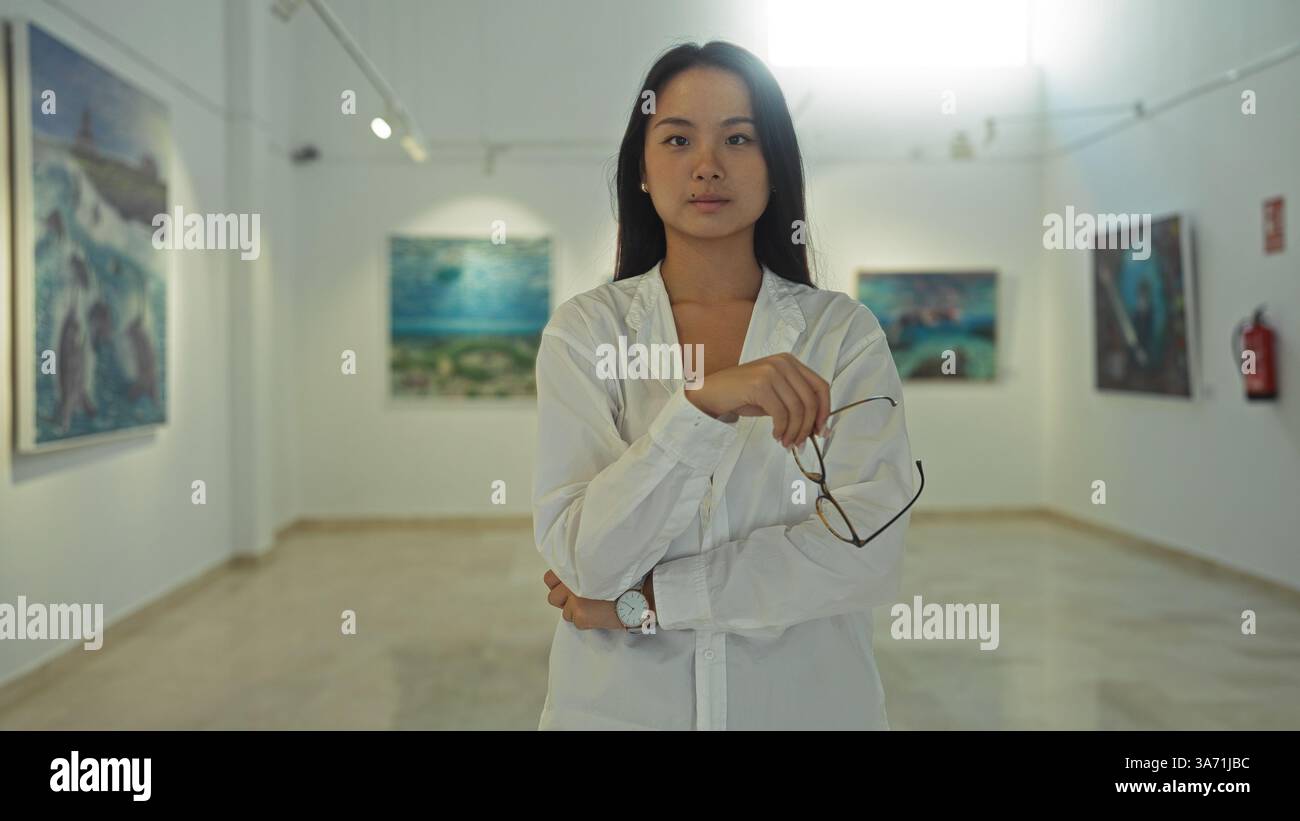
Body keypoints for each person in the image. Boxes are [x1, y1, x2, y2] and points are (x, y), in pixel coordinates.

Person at [531, 40, 918, 730]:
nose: (707, 165)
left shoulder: (842, 336)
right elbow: (586, 560)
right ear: (642, 170)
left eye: (739, 138)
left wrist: (650, 601)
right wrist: (701, 406)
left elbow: (866, 551)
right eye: (677, 138)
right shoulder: (586, 334)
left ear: (775, 168)